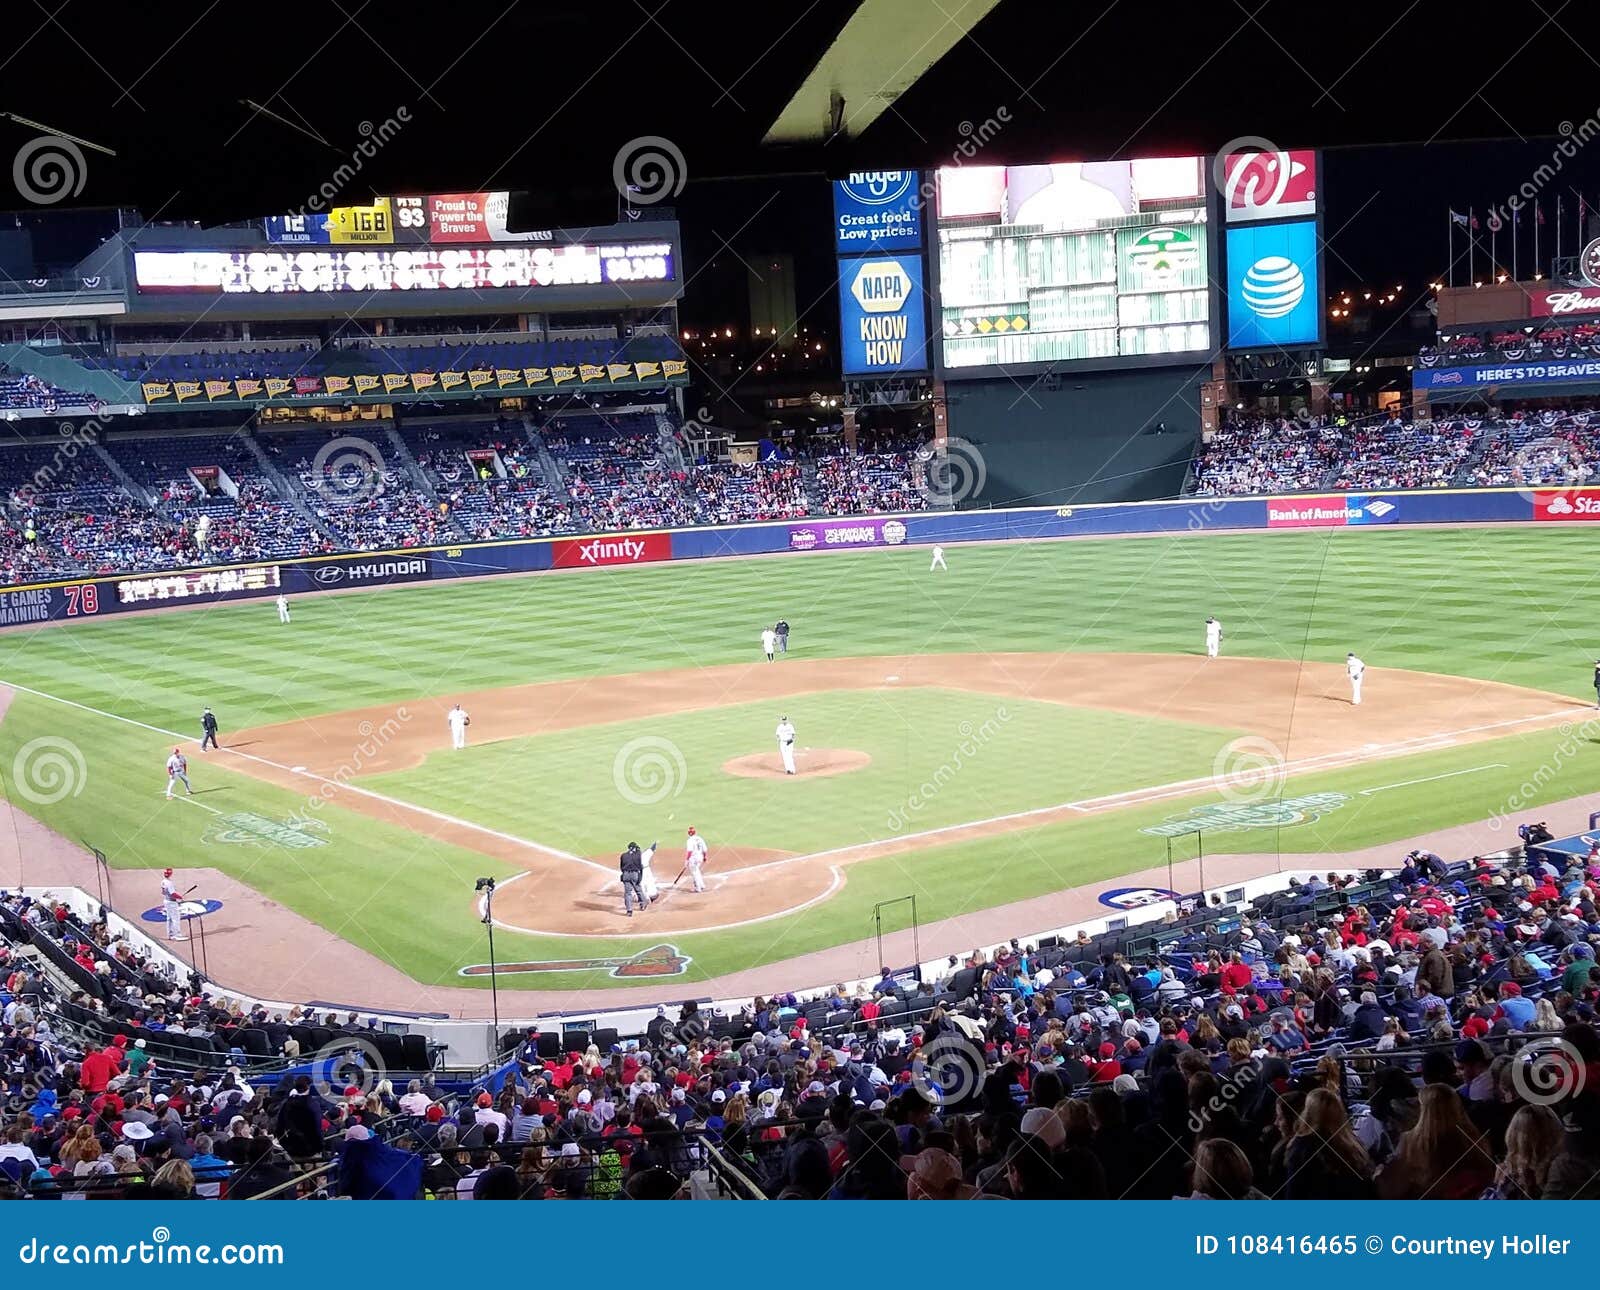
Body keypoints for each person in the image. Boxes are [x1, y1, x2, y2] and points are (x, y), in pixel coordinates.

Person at [619, 842, 646, 917]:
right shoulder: (637, 855)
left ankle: (629, 911)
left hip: (626, 875)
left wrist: (625, 874)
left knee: (628, 893)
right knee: (638, 890)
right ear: (634, 848)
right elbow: (640, 865)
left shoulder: (623, 855)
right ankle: (642, 905)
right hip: (634, 875)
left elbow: (621, 867)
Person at [160, 868, 186, 942]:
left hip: (166, 901)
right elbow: (173, 894)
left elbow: (163, 892)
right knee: (175, 919)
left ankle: (170, 935)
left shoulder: (163, 882)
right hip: (171, 903)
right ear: (170, 874)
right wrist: (180, 897)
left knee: (169, 919)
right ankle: (177, 935)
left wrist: (177, 897)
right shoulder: (169, 883)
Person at [684, 826, 708, 893]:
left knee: (694, 873)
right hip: (700, 857)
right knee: (697, 870)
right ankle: (702, 885)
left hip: (693, 859)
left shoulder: (690, 840)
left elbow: (690, 851)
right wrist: (705, 857)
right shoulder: (700, 838)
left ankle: (698, 888)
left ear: (689, 833)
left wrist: (687, 860)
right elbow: (705, 849)